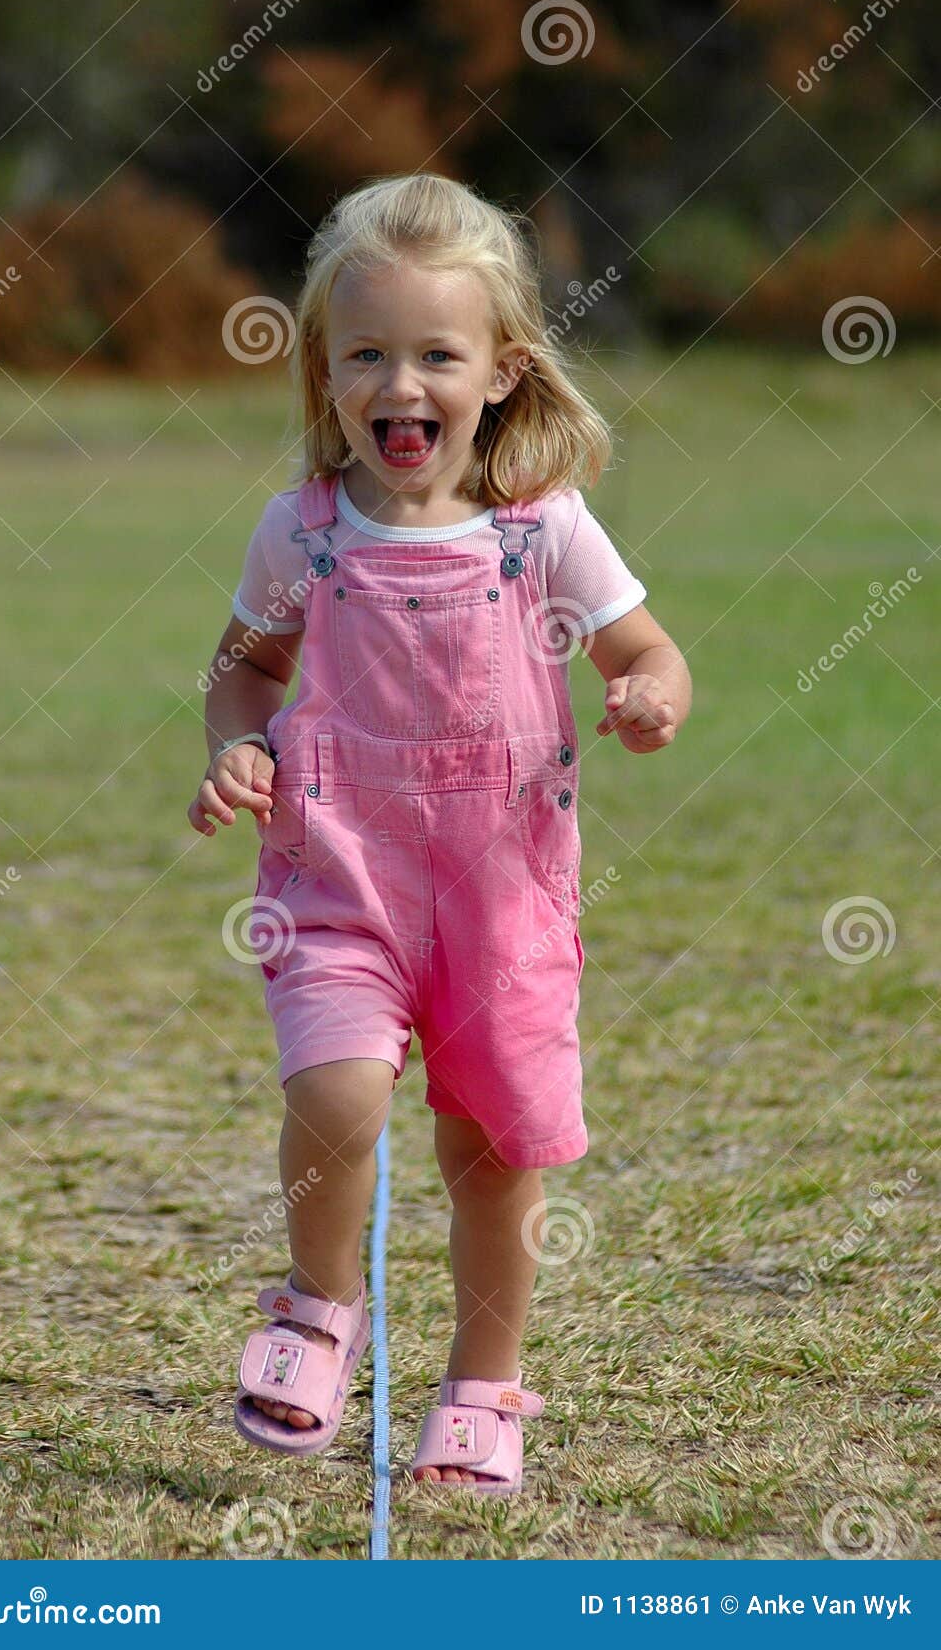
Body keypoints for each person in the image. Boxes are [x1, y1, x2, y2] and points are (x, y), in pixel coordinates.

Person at [187, 173, 692, 1493]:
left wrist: (646, 693)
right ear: (326, 367)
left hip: (503, 898)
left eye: (435, 353)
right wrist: (237, 742)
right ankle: (315, 1304)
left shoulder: (543, 533)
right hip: (339, 867)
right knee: (336, 1089)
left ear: (503, 370)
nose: (398, 382)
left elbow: (646, 646)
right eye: (366, 353)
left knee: (489, 1150)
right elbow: (244, 668)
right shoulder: (304, 529)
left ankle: (481, 1385)